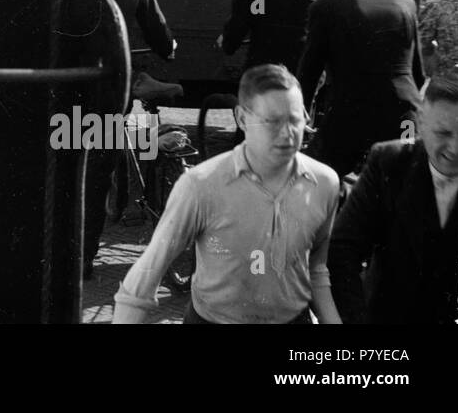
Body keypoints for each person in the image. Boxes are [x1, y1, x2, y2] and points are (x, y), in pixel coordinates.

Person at [114, 64, 342, 324]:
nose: (286, 133)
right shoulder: (201, 185)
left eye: (294, 119)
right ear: (242, 118)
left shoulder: (324, 183)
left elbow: (316, 269)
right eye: (271, 121)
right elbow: (145, 276)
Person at [69, 0, 175, 277]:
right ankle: (85, 259)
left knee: (68, 170)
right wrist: (169, 48)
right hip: (111, 97)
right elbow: (162, 40)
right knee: (98, 177)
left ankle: (62, 253)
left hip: (69, 92)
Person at [328, 68, 458, 324]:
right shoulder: (389, 162)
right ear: (420, 120)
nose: (455, 149)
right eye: (443, 133)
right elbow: (342, 251)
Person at [297, 0, 425, 179]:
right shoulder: (405, 3)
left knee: (314, 177)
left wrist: (300, 112)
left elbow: (311, 69)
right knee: (406, 181)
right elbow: (418, 74)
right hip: (404, 112)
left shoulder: (327, 6)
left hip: (350, 114)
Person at [419, 0, 458, 78]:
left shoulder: (439, 5)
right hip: (447, 79)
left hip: (447, 78)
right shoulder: (438, 5)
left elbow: (420, 44)